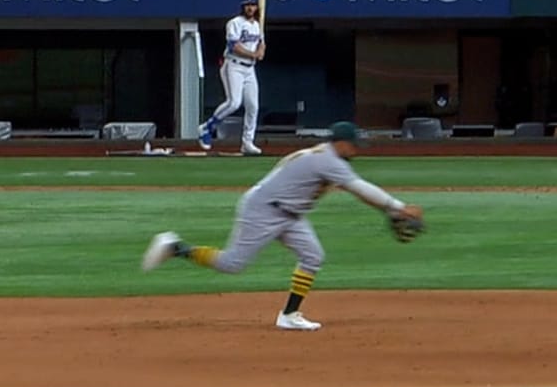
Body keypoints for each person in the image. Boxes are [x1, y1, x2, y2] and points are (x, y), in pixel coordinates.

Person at [140, 122, 425, 332]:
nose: (356, 151)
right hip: (263, 209)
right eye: (353, 145)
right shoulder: (328, 160)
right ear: (340, 143)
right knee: (232, 264)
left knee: (313, 256)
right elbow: (361, 189)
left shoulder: (326, 156)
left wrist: (392, 207)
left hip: (289, 213)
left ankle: (289, 315)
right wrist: (397, 206)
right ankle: (175, 247)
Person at [198, 0, 265, 156]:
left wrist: (260, 51)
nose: (250, 7)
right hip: (233, 65)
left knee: (253, 106)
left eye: (253, 5)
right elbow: (234, 46)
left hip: (250, 69)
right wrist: (253, 54)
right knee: (234, 102)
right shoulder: (234, 23)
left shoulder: (257, 25)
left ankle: (247, 142)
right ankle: (207, 127)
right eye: (247, 5)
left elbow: (261, 43)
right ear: (243, 7)